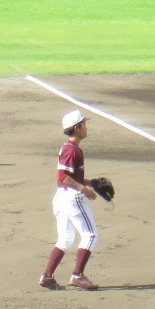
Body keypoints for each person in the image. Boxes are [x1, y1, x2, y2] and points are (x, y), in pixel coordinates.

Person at [41, 109, 104, 290]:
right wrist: (84, 189)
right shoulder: (72, 151)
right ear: (76, 128)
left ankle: (47, 277)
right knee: (90, 235)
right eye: (84, 124)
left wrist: (91, 183)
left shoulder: (69, 148)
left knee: (65, 239)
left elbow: (70, 177)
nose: (86, 127)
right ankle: (77, 275)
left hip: (61, 198)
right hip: (71, 198)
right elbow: (62, 177)